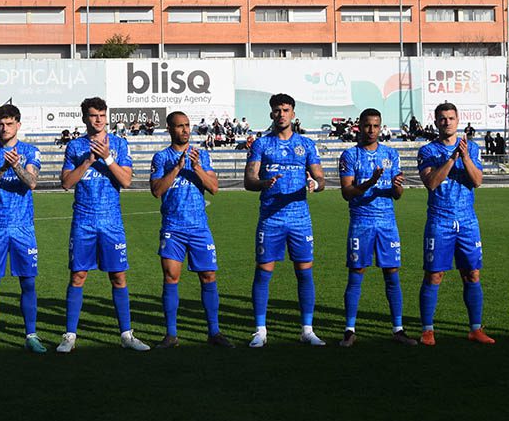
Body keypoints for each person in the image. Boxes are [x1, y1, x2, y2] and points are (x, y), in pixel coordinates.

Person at [58, 96, 149, 353]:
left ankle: (126, 334)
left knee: (118, 276)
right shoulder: (75, 147)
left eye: (101, 115)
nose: (98, 120)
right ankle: (70, 336)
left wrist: (108, 158)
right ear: (85, 118)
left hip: (112, 222)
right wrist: (87, 161)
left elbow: (127, 181)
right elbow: (66, 183)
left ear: (106, 117)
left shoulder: (120, 144)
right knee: (78, 275)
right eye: (93, 115)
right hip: (83, 221)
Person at [244, 94, 326, 347]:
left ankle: (307, 329)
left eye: (286, 110)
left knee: (304, 273)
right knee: (264, 272)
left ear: (293, 113)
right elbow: (249, 181)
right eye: (277, 110)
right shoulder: (261, 145)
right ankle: (260, 330)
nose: (281, 114)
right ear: (271, 114)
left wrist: (314, 183)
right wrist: (263, 183)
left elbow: (321, 180)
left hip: (300, 219)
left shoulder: (306, 144)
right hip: (271, 219)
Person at [336, 109, 419, 347]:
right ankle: (349, 330)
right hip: (361, 222)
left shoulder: (390, 154)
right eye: (367, 126)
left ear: (381, 127)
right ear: (359, 127)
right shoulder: (350, 155)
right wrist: (370, 182)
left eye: (375, 126)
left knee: (392, 275)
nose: (371, 130)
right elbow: (346, 192)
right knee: (356, 274)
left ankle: (398, 329)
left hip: (387, 224)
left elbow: (398, 195)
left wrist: (396, 186)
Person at [149, 111, 231, 348]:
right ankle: (171, 334)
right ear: (170, 129)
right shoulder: (161, 157)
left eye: (187, 126)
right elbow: (156, 191)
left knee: (208, 276)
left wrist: (196, 168)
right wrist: (176, 168)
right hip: (173, 227)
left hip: (199, 227)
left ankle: (214, 332)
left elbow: (214, 188)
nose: (185, 130)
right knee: (171, 277)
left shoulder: (202, 156)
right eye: (179, 126)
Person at [416, 102, 492, 345]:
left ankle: (475, 329)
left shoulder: (474, 148)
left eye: (451, 118)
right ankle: (428, 330)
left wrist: (466, 157)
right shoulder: (427, 151)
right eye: (442, 118)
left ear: (458, 120)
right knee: (435, 274)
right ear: (436, 121)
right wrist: (451, 159)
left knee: (472, 273)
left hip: (467, 220)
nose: (447, 122)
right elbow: (431, 183)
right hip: (440, 219)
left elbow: (478, 181)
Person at [0, 104, 45, 354]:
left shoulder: (31, 152)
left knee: (28, 282)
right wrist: (3, 168)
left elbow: (32, 183)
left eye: (9, 124)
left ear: (18, 125)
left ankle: (31, 335)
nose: (4, 128)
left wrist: (16, 166)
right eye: (0, 124)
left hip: (23, 227)